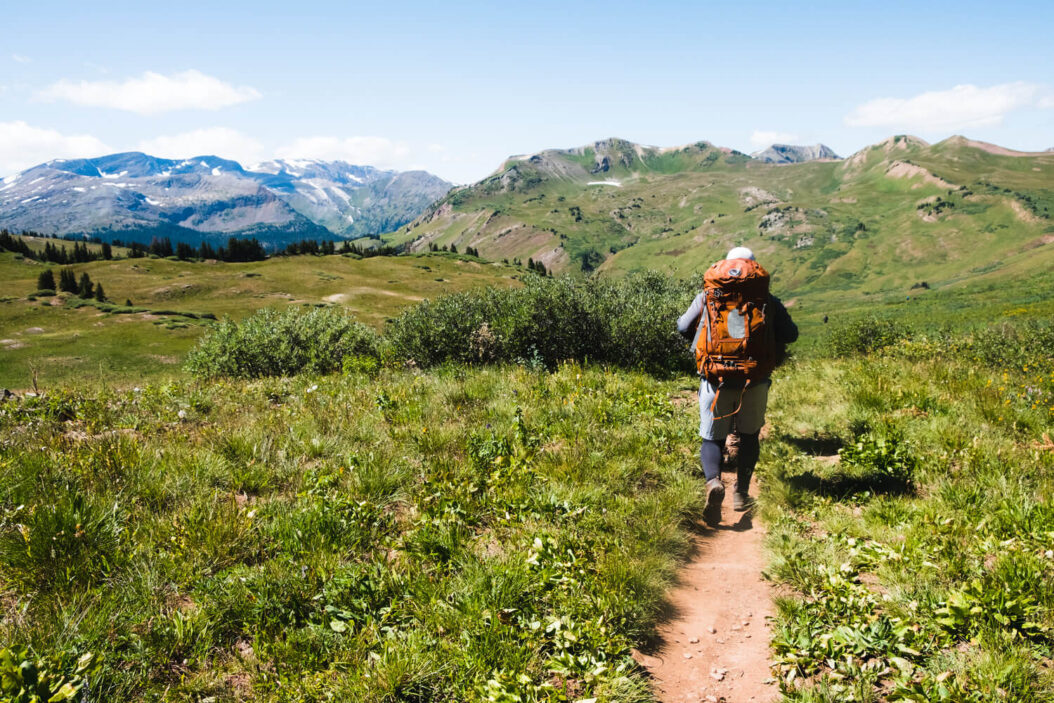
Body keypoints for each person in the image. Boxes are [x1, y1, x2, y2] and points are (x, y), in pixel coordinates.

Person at [677, 246, 798, 524]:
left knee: (712, 438)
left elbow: (683, 327)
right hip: (753, 380)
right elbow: (791, 334)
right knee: (749, 436)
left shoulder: (708, 295)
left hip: (714, 378)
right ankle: (741, 494)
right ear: (754, 270)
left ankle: (713, 483)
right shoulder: (766, 298)